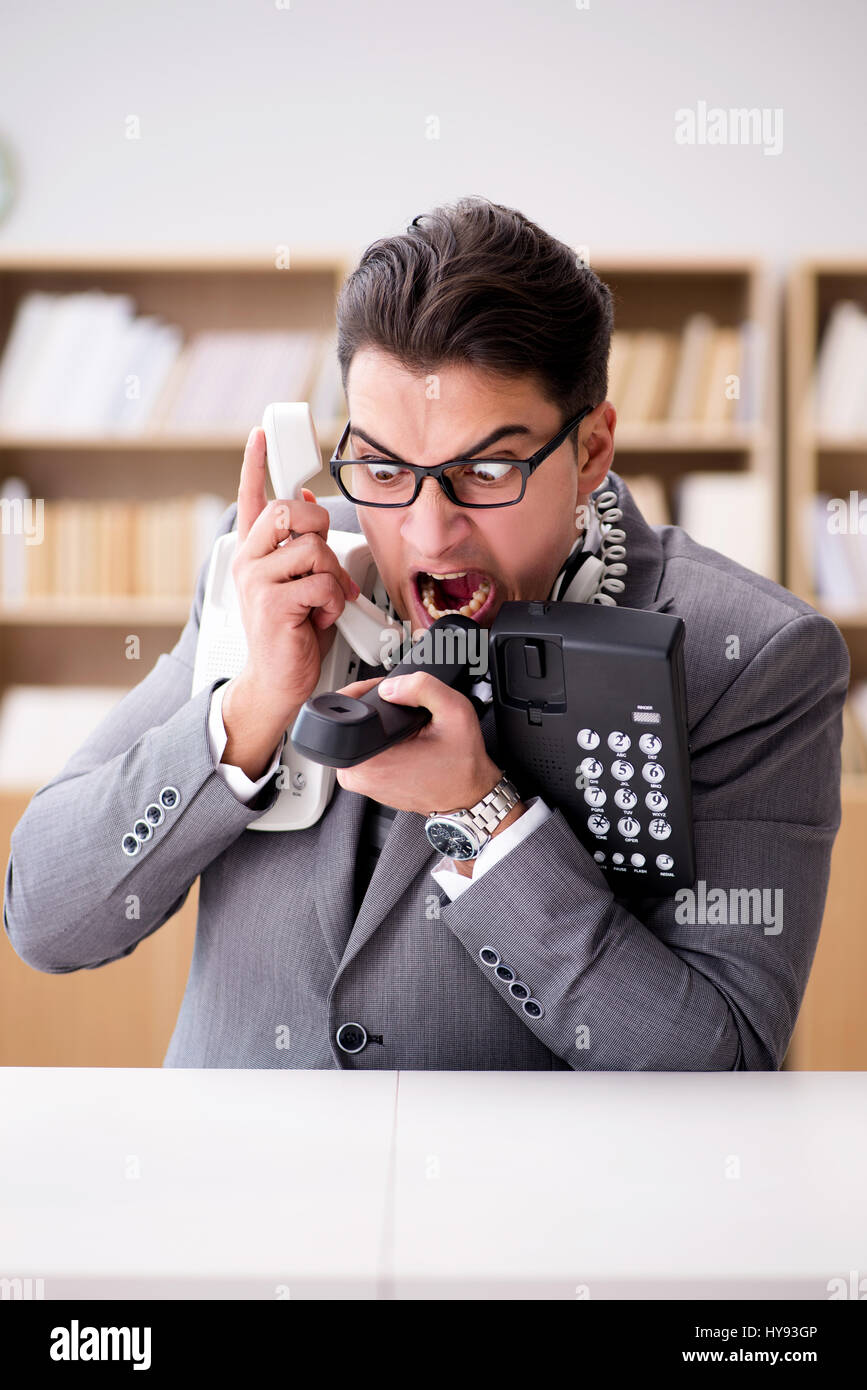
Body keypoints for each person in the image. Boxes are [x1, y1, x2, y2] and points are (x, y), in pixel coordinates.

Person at [3, 196, 849, 1071]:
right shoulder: (274, 572)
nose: (428, 530)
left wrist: (481, 820)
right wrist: (250, 709)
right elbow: (45, 919)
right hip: (233, 1190)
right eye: (380, 467)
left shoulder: (751, 657)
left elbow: (722, 1064)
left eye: (486, 469)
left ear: (591, 449)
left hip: (538, 1204)